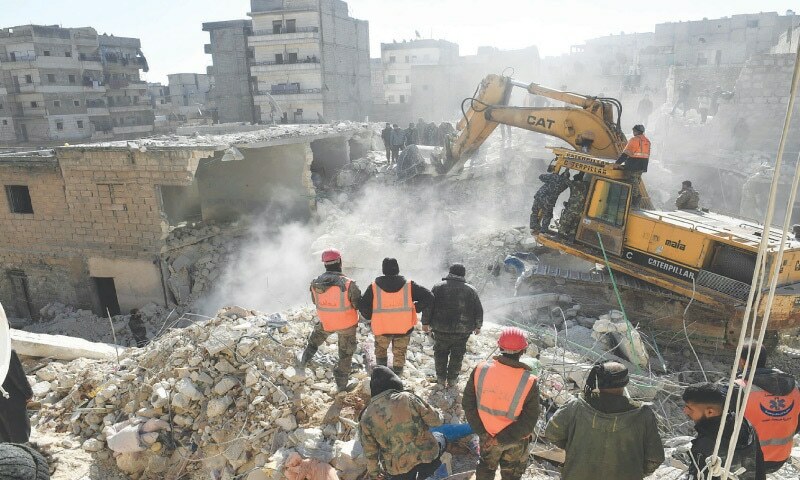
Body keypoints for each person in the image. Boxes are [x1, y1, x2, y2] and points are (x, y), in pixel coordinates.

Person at [545, 361, 664, 480]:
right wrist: (635, 471)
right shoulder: (643, 415)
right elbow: (655, 458)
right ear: (625, 383)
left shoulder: (576, 406)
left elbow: (552, 433)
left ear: (598, 382)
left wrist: (575, 449)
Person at [462, 327, 540, 480]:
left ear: (499, 347)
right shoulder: (529, 381)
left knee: (485, 469)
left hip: (487, 434)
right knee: (511, 475)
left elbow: (468, 404)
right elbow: (529, 420)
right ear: (523, 351)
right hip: (514, 439)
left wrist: (484, 434)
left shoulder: (480, 370)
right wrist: (501, 438)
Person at [359, 366, 446, 480]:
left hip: (399, 469)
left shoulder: (366, 416)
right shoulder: (407, 398)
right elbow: (437, 422)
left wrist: (374, 473)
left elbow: (370, 452)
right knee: (440, 437)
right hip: (427, 456)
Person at [298, 248, 362, 392]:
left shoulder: (315, 283)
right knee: (345, 355)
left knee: (313, 342)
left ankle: (302, 364)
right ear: (339, 261)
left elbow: (315, 302)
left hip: (326, 323)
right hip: (347, 325)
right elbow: (358, 304)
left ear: (324, 264)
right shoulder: (348, 284)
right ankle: (341, 386)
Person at [359, 258, 433, 376]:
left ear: (383, 270)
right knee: (399, 354)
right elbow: (429, 296)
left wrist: (370, 316)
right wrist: (416, 308)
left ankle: (382, 376)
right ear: (397, 269)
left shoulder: (373, 287)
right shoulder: (409, 285)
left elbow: (362, 305)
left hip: (382, 328)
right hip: (403, 328)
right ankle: (397, 379)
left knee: (381, 352)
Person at [734, 341, 800, 473]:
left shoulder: (739, 388)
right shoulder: (794, 386)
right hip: (780, 458)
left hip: (749, 462)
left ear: (742, 361)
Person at [682, 383, 765, 480]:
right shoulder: (744, 425)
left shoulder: (705, 445)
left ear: (710, 412)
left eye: (689, 409)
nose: (685, 411)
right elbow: (759, 467)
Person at [422, 263, 483, 388]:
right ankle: (452, 381)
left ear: (450, 272)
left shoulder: (438, 287)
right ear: (463, 274)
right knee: (458, 354)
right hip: (462, 331)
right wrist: (478, 326)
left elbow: (429, 306)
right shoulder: (471, 290)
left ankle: (440, 379)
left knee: (440, 353)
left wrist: (425, 323)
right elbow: (478, 310)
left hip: (440, 329)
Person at [0, 350, 34, 443]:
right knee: (20, 435)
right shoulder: (6, 351)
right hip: (11, 398)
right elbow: (17, 375)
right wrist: (28, 393)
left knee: (3, 438)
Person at [615, 124, 650, 207]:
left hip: (633, 164)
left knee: (632, 183)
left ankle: (634, 201)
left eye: (634, 130)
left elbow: (626, 153)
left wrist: (617, 163)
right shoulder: (647, 141)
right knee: (636, 182)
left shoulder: (634, 140)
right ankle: (636, 200)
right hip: (642, 165)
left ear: (636, 131)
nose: (633, 132)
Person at [530, 168, 570, 234]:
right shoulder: (565, 185)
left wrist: (552, 175)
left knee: (535, 211)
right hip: (549, 201)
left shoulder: (554, 177)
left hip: (540, 196)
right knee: (547, 215)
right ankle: (543, 230)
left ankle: (533, 225)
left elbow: (541, 177)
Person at [557, 171, 589, 239]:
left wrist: (567, 169)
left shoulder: (574, 184)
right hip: (581, 210)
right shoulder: (586, 186)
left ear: (575, 179)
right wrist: (582, 172)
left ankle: (560, 235)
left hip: (571, 209)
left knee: (565, 222)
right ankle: (570, 238)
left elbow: (565, 179)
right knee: (574, 225)